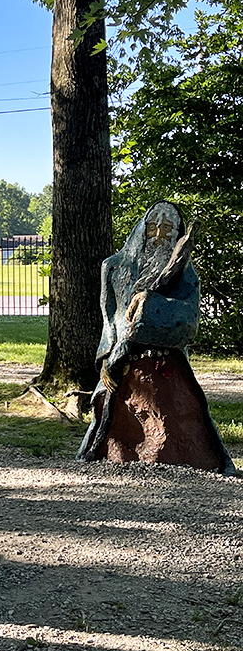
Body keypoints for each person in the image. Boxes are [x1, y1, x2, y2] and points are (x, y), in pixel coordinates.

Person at [77, 200, 235, 473]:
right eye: (154, 227)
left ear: (177, 235)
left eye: (168, 229)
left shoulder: (184, 273)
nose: (160, 235)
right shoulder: (113, 268)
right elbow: (109, 318)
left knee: (176, 423)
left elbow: (189, 319)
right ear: (142, 229)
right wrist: (106, 357)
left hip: (167, 367)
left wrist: (150, 304)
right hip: (123, 367)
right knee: (117, 423)